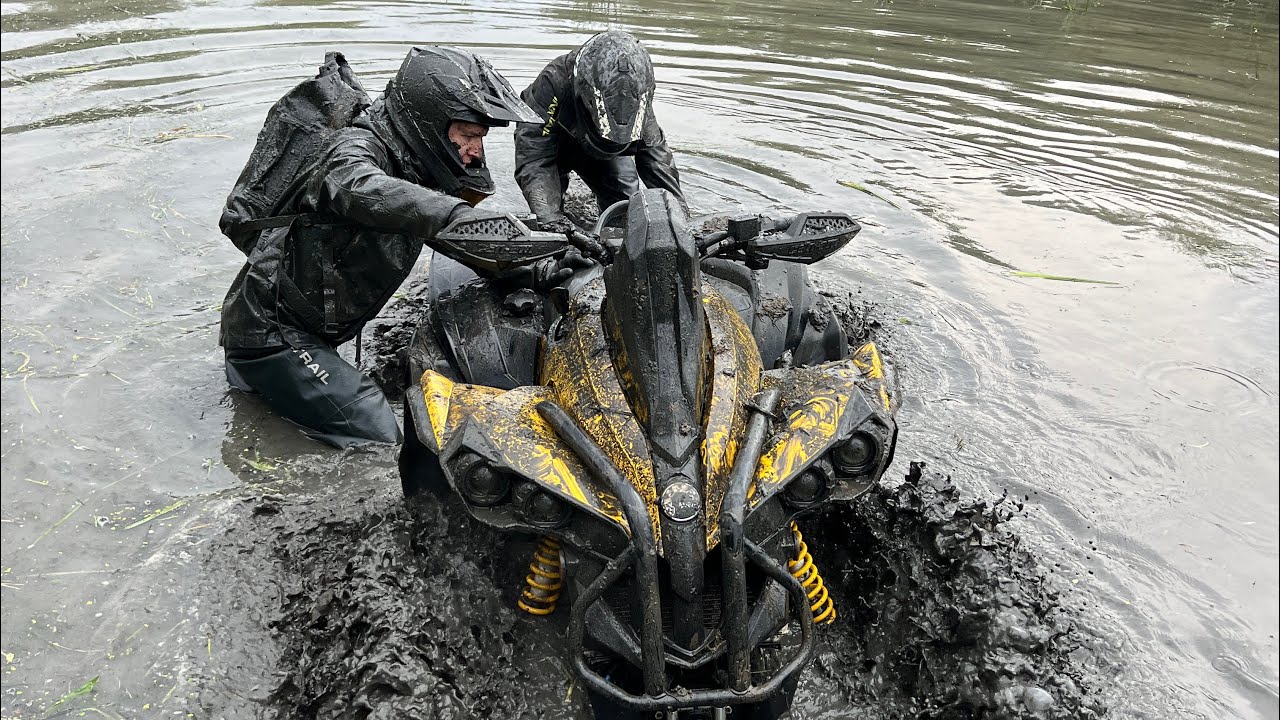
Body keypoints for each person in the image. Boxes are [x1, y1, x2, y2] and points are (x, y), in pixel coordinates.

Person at [217, 46, 541, 448]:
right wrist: (456, 213)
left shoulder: (413, 163)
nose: (476, 150)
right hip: (271, 335)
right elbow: (356, 186)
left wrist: (535, 259)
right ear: (430, 121)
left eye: (480, 137)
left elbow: (448, 234)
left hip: (312, 331)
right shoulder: (352, 151)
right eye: (468, 135)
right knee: (379, 435)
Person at [514, 30, 684, 233]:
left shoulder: (638, 98)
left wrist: (679, 220)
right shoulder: (554, 81)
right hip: (554, 145)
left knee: (624, 212)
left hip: (608, 149)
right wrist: (552, 221)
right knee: (550, 221)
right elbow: (534, 157)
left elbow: (657, 161)